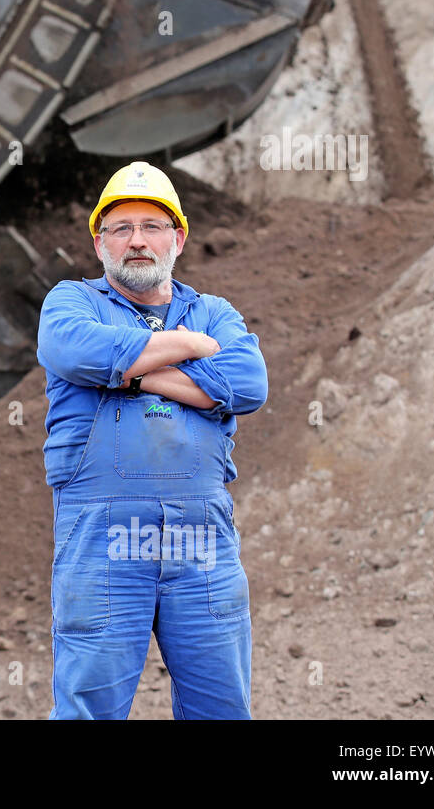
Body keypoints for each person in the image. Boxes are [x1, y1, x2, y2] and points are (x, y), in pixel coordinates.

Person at [37, 160, 267, 719]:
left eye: (152, 226)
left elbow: (249, 382)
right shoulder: (71, 303)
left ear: (179, 237)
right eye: (121, 228)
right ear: (100, 243)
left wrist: (128, 371)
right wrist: (193, 348)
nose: (137, 240)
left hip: (203, 539)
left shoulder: (215, 311)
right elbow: (73, 350)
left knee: (222, 707)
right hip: (102, 538)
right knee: (88, 709)